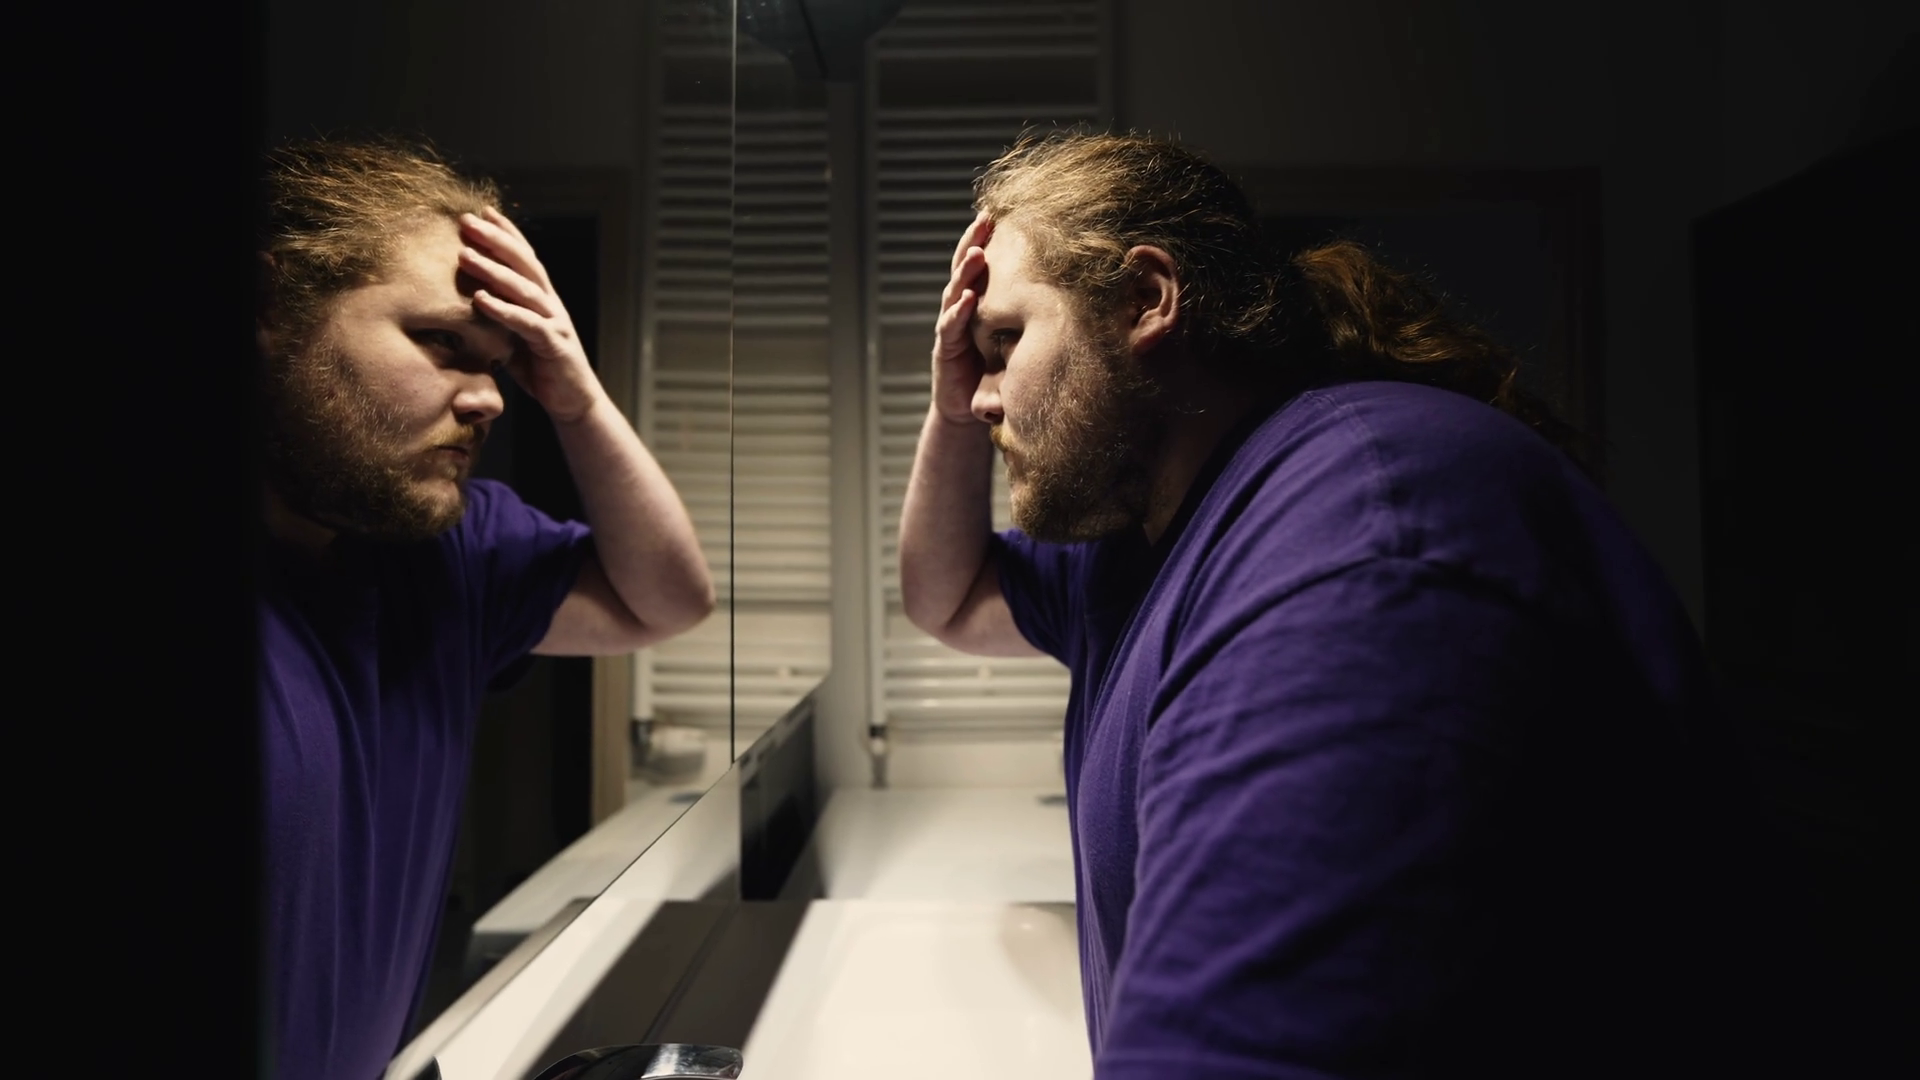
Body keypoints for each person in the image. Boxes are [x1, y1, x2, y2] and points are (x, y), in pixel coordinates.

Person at [899, 132, 1807, 1078]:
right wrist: (949, 396)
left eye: (1003, 340)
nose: (985, 396)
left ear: (1145, 300)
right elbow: (951, 597)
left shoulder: (1356, 545)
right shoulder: (1142, 544)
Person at [255, 138, 714, 1080]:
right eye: (441, 343)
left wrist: (576, 395)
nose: (490, 398)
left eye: (503, 362)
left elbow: (664, 600)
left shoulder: (443, 557)